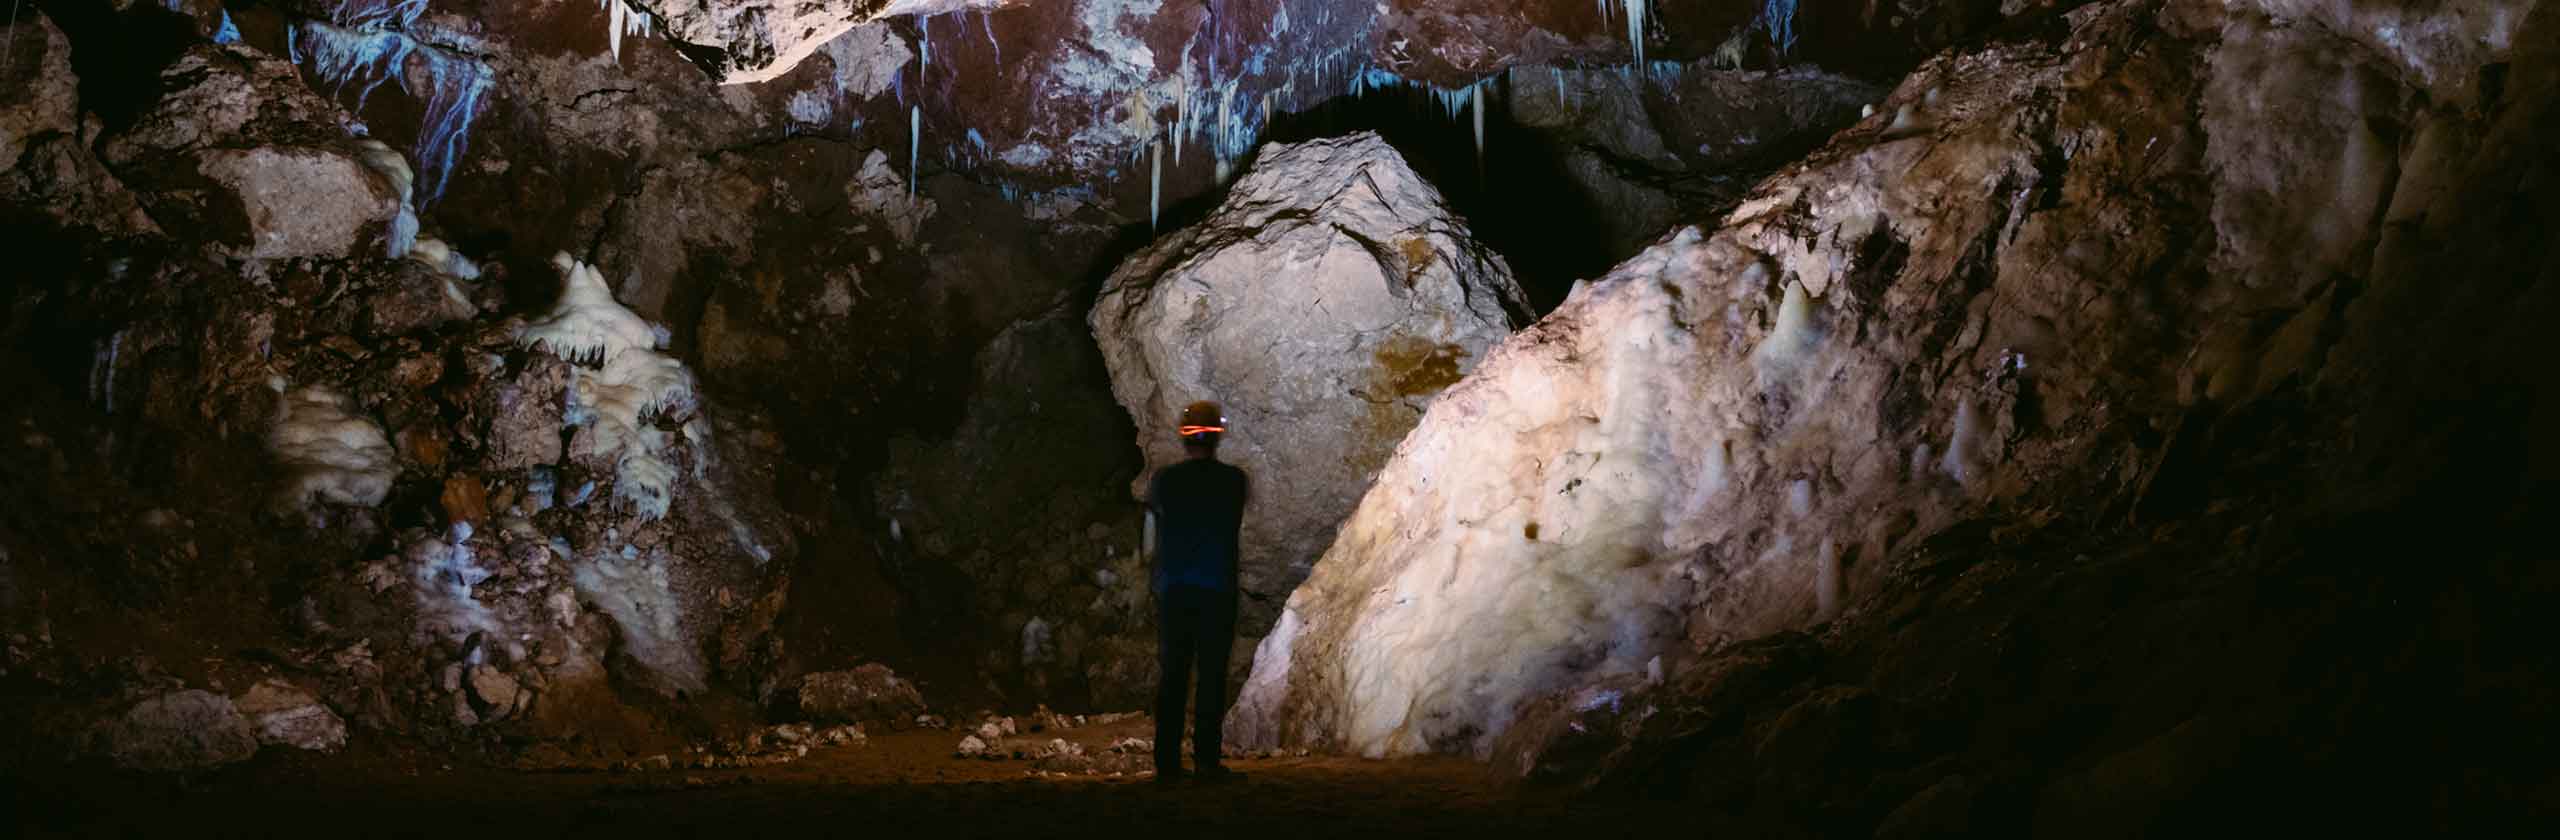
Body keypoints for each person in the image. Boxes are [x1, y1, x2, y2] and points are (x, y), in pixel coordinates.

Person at [1144, 400, 1250, 784]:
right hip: (1216, 590)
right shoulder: (1234, 481)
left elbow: (1157, 518)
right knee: (1211, 677)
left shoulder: (1165, 481)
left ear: (1185, 436)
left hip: (1176, 590)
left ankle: (1167, 763)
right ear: (1217, 436)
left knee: (1173, 675)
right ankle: (1206, 760)